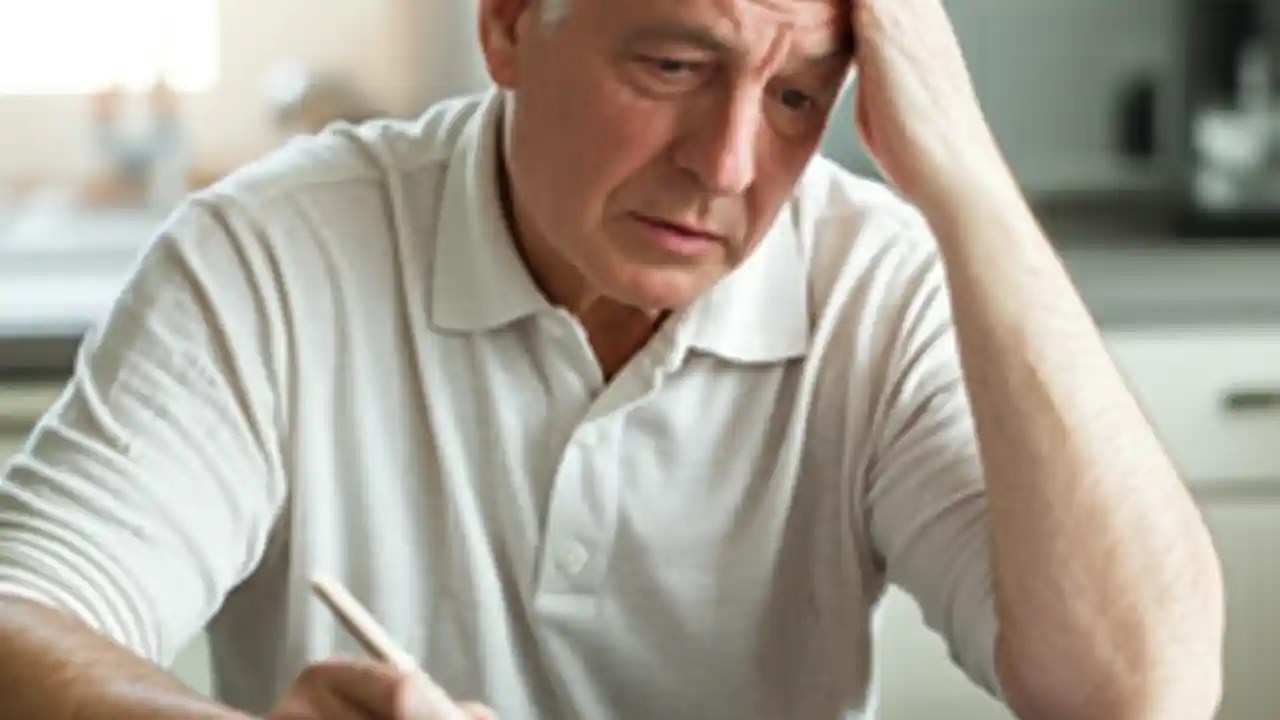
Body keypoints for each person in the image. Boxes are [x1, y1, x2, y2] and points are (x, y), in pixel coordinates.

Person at [0, 0, 1224, 718]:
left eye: (798, 99)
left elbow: (1141, 696)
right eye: (674, 65)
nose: (728, 164)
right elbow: (22, 618)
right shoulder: (268, 254)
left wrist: (961, 173)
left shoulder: (875, 280)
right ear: (507, 25)